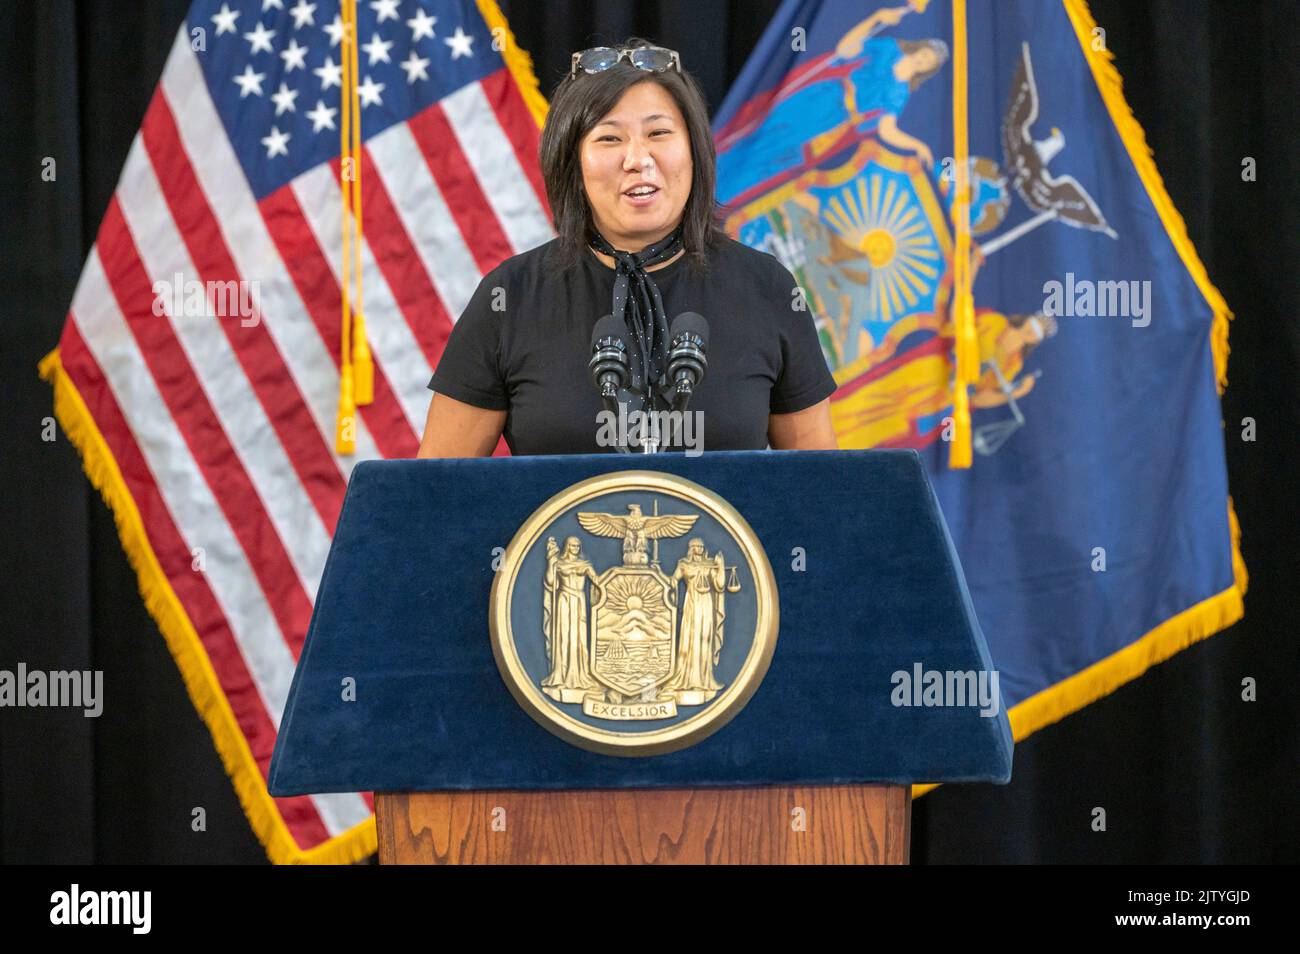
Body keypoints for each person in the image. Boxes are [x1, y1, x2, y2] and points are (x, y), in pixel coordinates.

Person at [417, 39, 839, 458]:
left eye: (659, 133)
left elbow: (822, 492)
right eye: (609, 139)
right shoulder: (509, 297)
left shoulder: (767, 288)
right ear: (572, 162)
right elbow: (435, 497)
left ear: (695, 152)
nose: (637, 159)